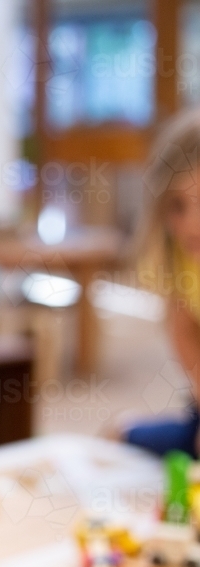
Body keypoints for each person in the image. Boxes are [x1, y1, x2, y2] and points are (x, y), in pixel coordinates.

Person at [119, 106, 200, 459]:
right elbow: (183, 332)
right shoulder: (177, 255)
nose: (191, 226)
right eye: (177, 207)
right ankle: (126, 430)